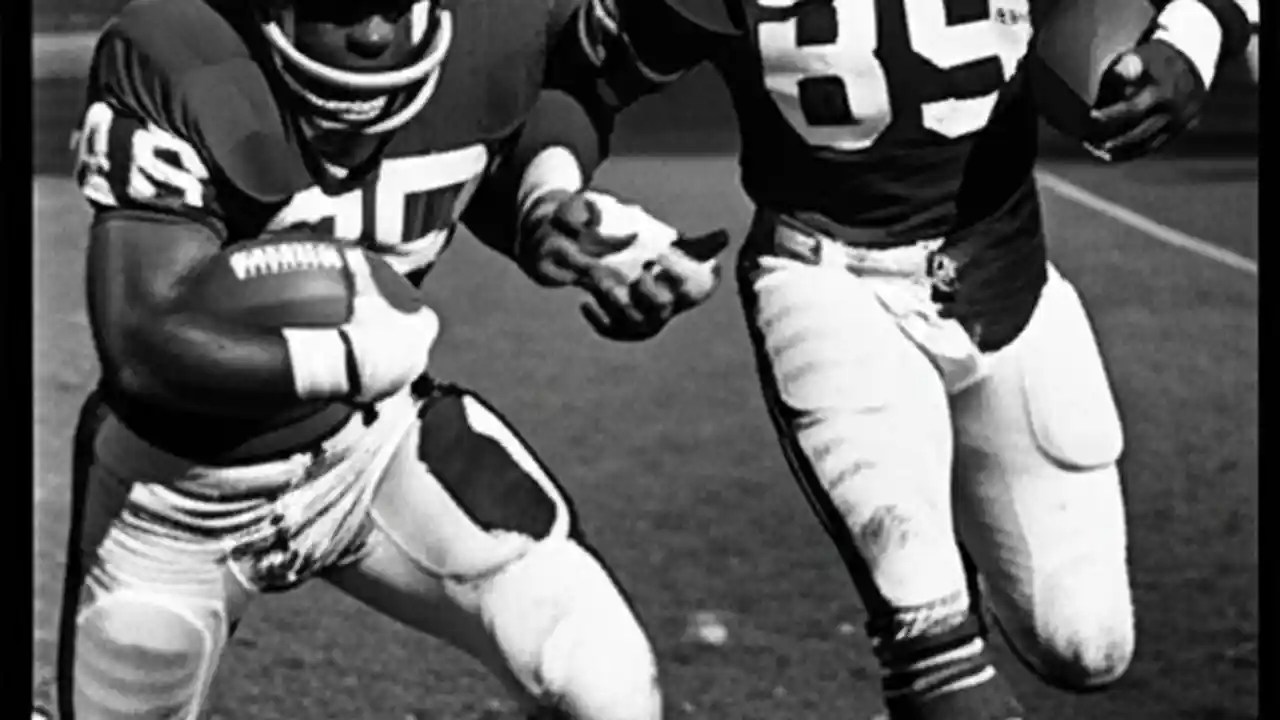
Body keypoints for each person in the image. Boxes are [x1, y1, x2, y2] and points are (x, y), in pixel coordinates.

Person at [542, 0, 1260, 718]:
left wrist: (1192, 43)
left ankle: (944, 527)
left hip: (1003, 279)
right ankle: (924, 580)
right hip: (830, 283)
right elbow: (573, 81)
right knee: (937, 661)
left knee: (1083, 645)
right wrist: (550, 205)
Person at [41, 0, 729, 717]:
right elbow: (142, 344)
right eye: (342, 3)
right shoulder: (176, 50)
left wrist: (547, 208)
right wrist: (343, 354)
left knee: (600, 672)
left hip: (374, 446)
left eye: (396, 3)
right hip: (179, 494)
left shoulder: (492, 25)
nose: (375, 34)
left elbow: (520, 114)